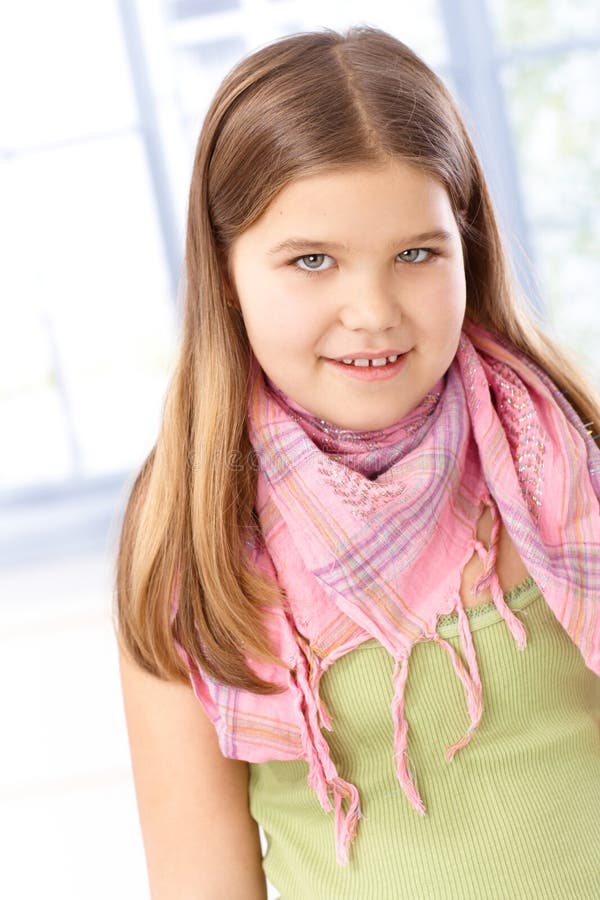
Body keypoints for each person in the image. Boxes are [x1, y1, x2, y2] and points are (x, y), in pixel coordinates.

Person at [114, 25, 600, 900]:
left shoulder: (570, 467)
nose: (372, 311)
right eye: (312, 262)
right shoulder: (186, 530)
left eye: (416, 254)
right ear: (225, 274)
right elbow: (200, 881)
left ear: (468, 246)